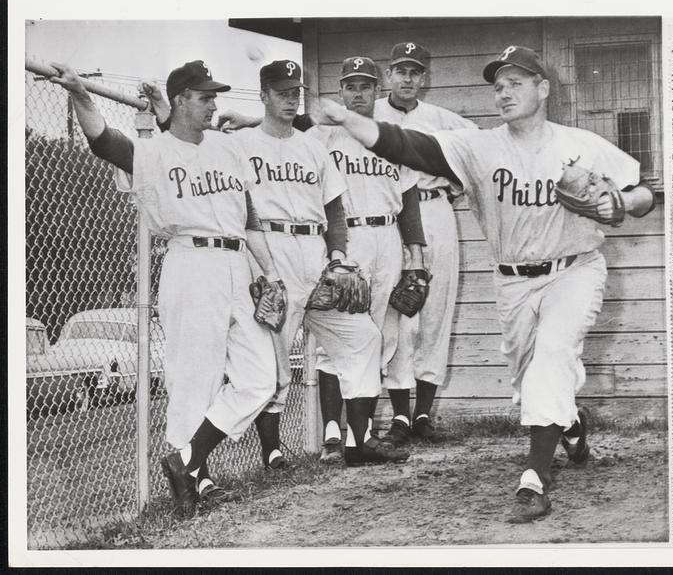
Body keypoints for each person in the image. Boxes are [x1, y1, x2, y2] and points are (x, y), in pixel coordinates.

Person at [315, 45, 656, 521]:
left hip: (575, 269)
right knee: (527, 379)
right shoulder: (479, 145)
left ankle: (534, 479)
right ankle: (570, 423)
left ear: (543, 88)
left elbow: (644, 192)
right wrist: (345, 119)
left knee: (552, 358)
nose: (504, 91)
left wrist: (622, 202)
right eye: (498, 84)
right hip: (514, 281)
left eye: (516, 82)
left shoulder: (579, 144)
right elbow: (405, 145)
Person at [145, 60, 411, 467]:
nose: (291, 100)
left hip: (314, 254)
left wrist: (337, 258)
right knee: (275, 359)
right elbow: (186, 145)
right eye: (282, 92)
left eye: (296, 93)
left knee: (363, 338)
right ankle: (271, 453)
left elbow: (335, 212)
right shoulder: (238, 144)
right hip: (268, 249)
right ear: (264, 94)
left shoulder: (313, 147)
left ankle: (359, 442)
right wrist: (165, 112)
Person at [49, 60, 282, 519]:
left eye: (214, 96)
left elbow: (250, 214)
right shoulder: (153, 153)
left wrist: (270, 273)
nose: (214, 104)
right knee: (193, 377)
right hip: (190, 260)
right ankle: (191, 481)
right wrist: (79, 92)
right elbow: (103, 140)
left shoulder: (225, 146)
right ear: (179, 101)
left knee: (261, 377)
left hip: (237, 260)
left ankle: (186, 461)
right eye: (205, 96)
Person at [306, 56, 428, 463]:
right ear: (340, 92)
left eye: (365, 86)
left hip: (386, 236)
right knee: (340, 335)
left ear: (378, 91)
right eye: (350, 85)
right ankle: (331, 433)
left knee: (381, 333)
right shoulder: (323, 136)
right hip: (348, 237)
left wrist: (415, 256)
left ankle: (362, 431)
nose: (357, 93)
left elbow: (410, 200)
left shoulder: (389, 137)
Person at [373, 42, 477, 447]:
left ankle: (422, 414)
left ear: (424, 78)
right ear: (388, 75)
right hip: (391, 215)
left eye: (415, 72)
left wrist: (456, 183)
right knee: (397, 315)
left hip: (435, 210)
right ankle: (399, 413)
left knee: (435, 311)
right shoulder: (372, 115)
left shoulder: (440, 119)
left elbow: (480, 147)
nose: (407, 79)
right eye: (400, 70)